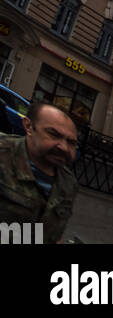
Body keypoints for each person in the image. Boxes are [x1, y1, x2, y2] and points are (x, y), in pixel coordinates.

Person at [0, 100, 79, 242]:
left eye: (71, 142)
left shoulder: (68, 183)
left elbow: (53, 234)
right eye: (54, 134)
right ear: (29, 126)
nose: (64, 147)